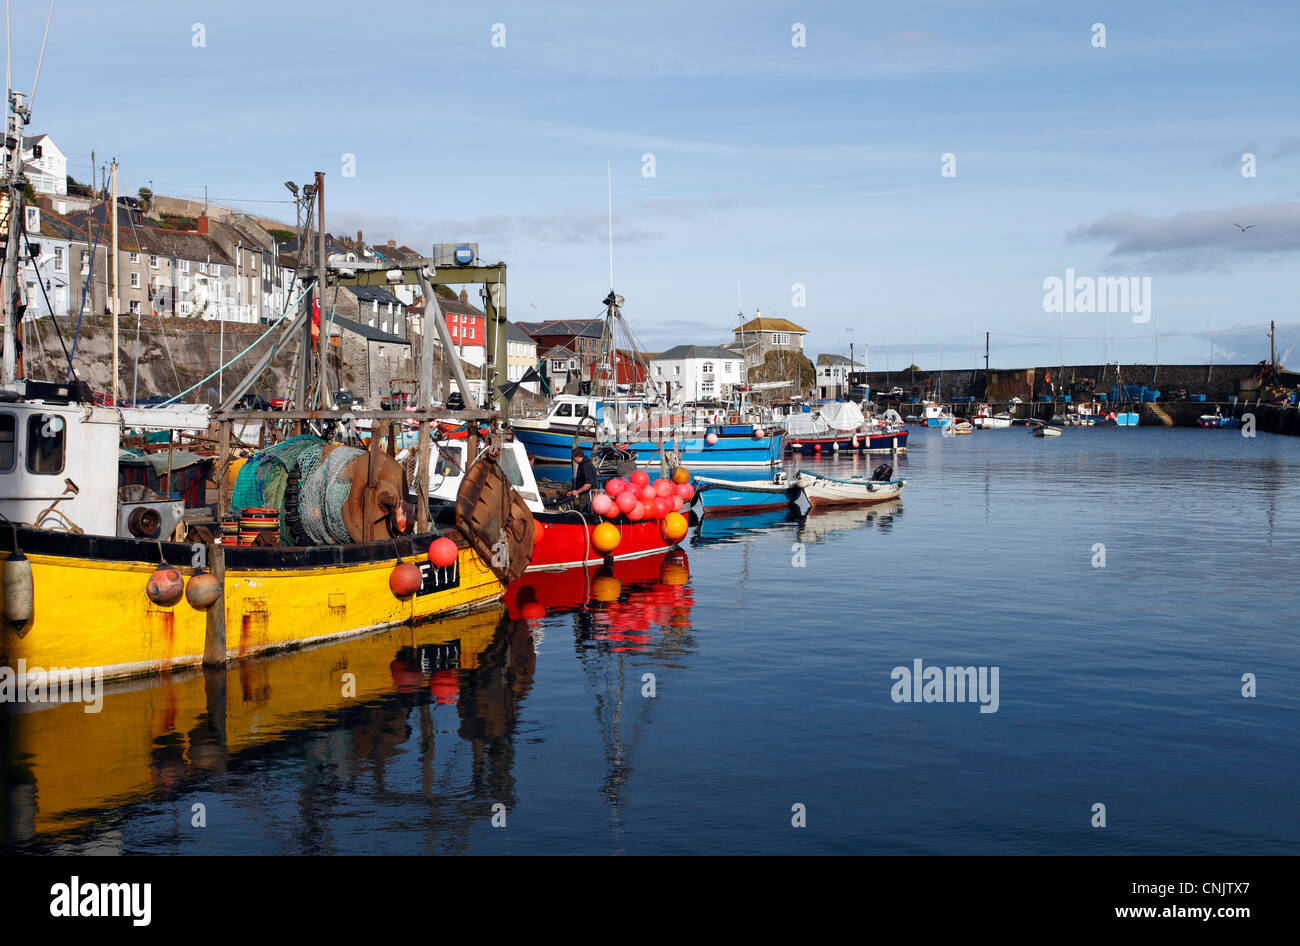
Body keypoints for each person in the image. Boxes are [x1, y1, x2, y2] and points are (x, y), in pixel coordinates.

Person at [568, 447, 598, 512]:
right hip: (584, 493)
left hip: (587, 495)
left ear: (577, 457)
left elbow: (588, 484)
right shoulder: (582, 464)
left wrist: (577, 492)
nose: (573, 460)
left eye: (573, 458)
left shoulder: (586, 466)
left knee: (585, 512)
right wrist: (573, 491)